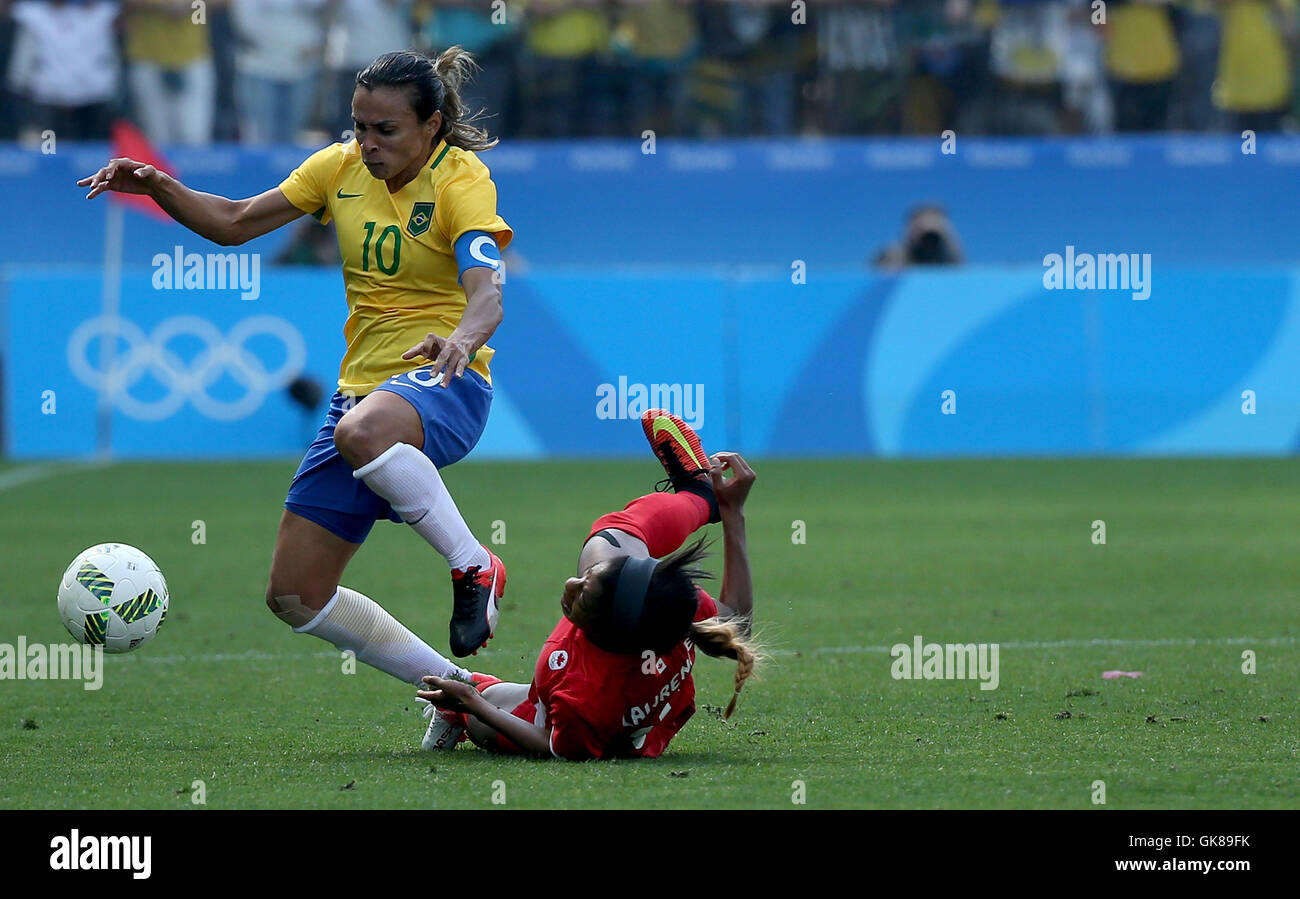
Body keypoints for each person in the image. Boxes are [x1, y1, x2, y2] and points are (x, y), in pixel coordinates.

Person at [79, 48, 514, 724]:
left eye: (385, 130)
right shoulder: (338, 167)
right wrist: (160, 185)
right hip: (360, 394)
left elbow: (487, 292)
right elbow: (234, 222)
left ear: (431, 126)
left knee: (360, 430)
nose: (367, 143)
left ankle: (474, 565)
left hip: (448, 381)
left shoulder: (462, 181)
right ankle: (458, 692)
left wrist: (459, 340)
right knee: (295, 595)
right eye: (359, 125)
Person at [417, 409, 762, 760]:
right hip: (623, 676)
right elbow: (739, 623)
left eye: (582, 595)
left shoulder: (578, 687)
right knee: (610, 541)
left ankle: (455, 711)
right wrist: (734, 515)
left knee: (489, 706)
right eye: (584, 580)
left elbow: (551, 743)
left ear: (599, 631)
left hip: (563, 712)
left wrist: (473, 705)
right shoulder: (670, 611)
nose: (570, 582)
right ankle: (701, 496)